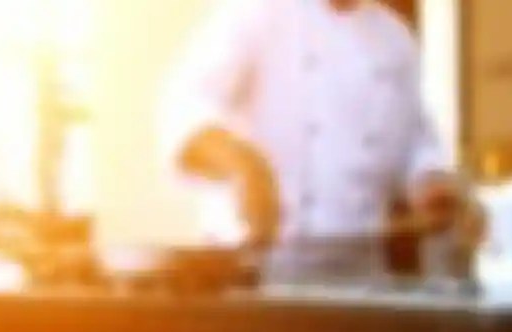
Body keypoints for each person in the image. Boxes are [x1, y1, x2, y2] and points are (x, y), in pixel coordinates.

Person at [160, 0, 463, 250]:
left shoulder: (395, 40)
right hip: (252, 266)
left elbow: (417, 141)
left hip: (357, 273)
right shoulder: (254, 12)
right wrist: (242, 164)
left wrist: (432, 182)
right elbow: (185, 104)